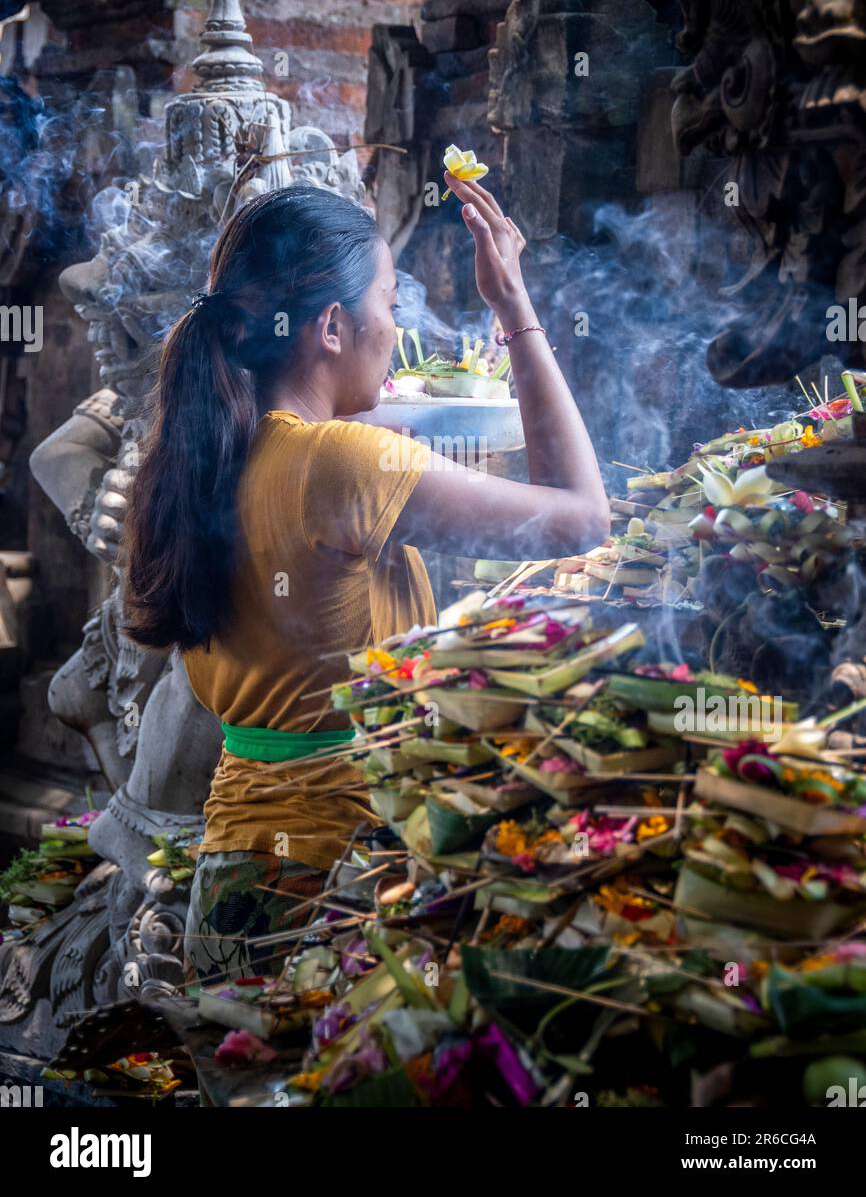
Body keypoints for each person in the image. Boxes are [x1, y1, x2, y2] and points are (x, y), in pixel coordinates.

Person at [121, 172, 609, 985]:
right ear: (334, 326)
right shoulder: (340, 462)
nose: (399, 324)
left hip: (237, 872)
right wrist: (516, 308)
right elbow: (583, 518)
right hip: (340, 891)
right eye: (390, 300)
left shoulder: (205, 448)